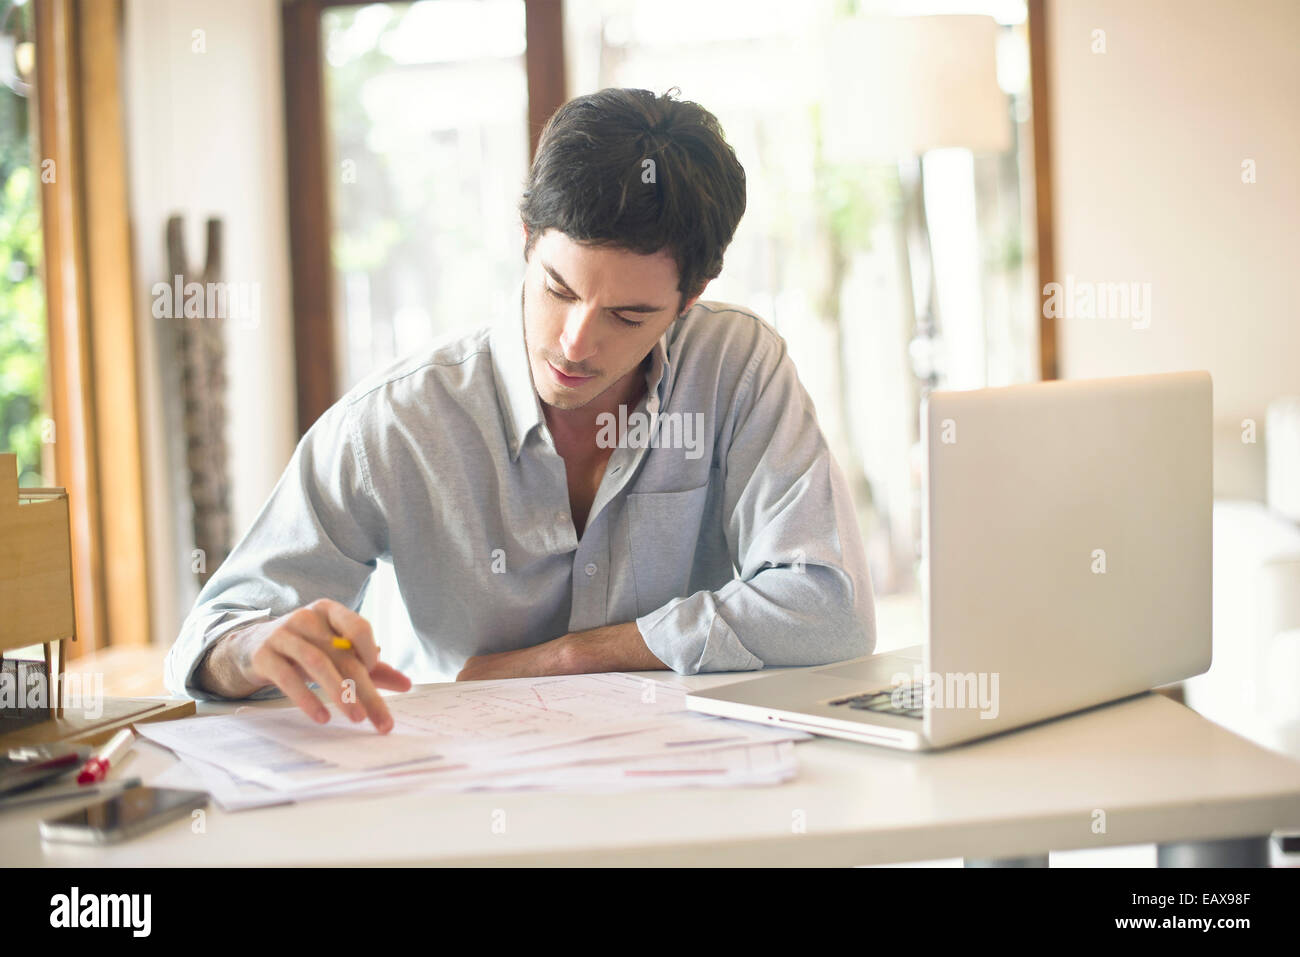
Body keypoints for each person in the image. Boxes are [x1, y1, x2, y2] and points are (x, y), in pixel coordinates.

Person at [164, 87, 876, 733]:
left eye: (629, 315)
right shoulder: (396, 422)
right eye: (559, 289)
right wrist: (254, 648)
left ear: (689, 299)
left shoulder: (735, 367)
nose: (575, 344)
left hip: (686, 784)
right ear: (527, 238)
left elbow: (829, 609)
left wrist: (567, 657)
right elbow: (209, 640)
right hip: (463, 786)